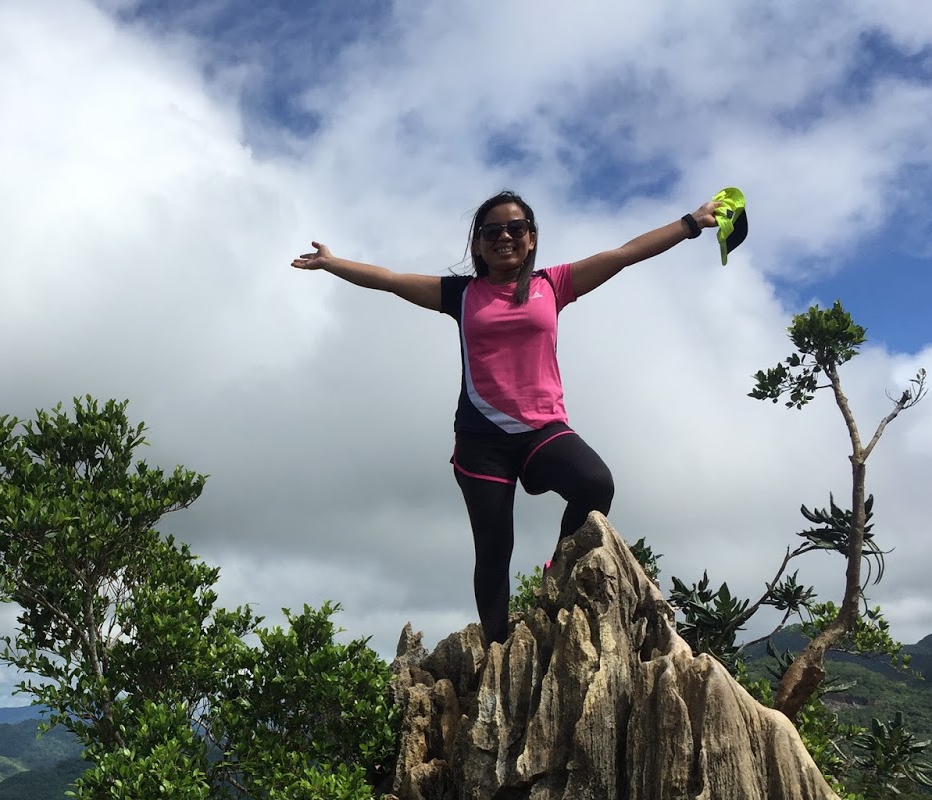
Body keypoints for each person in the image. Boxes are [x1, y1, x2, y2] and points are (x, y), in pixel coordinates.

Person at [291, 190, 722, 643]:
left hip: (543, 429)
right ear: (478, 245)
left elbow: (623, 255)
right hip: (482, 440)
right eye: (491, 231)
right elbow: (392, 279)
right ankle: (496, 649)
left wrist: (690, 223)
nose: (504, 237)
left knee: (595, 483)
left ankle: (560, 569)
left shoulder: (552, 285)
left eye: (516, 228)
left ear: (532, 239)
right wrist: (333, 263)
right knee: (495, 550)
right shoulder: (460, 294)